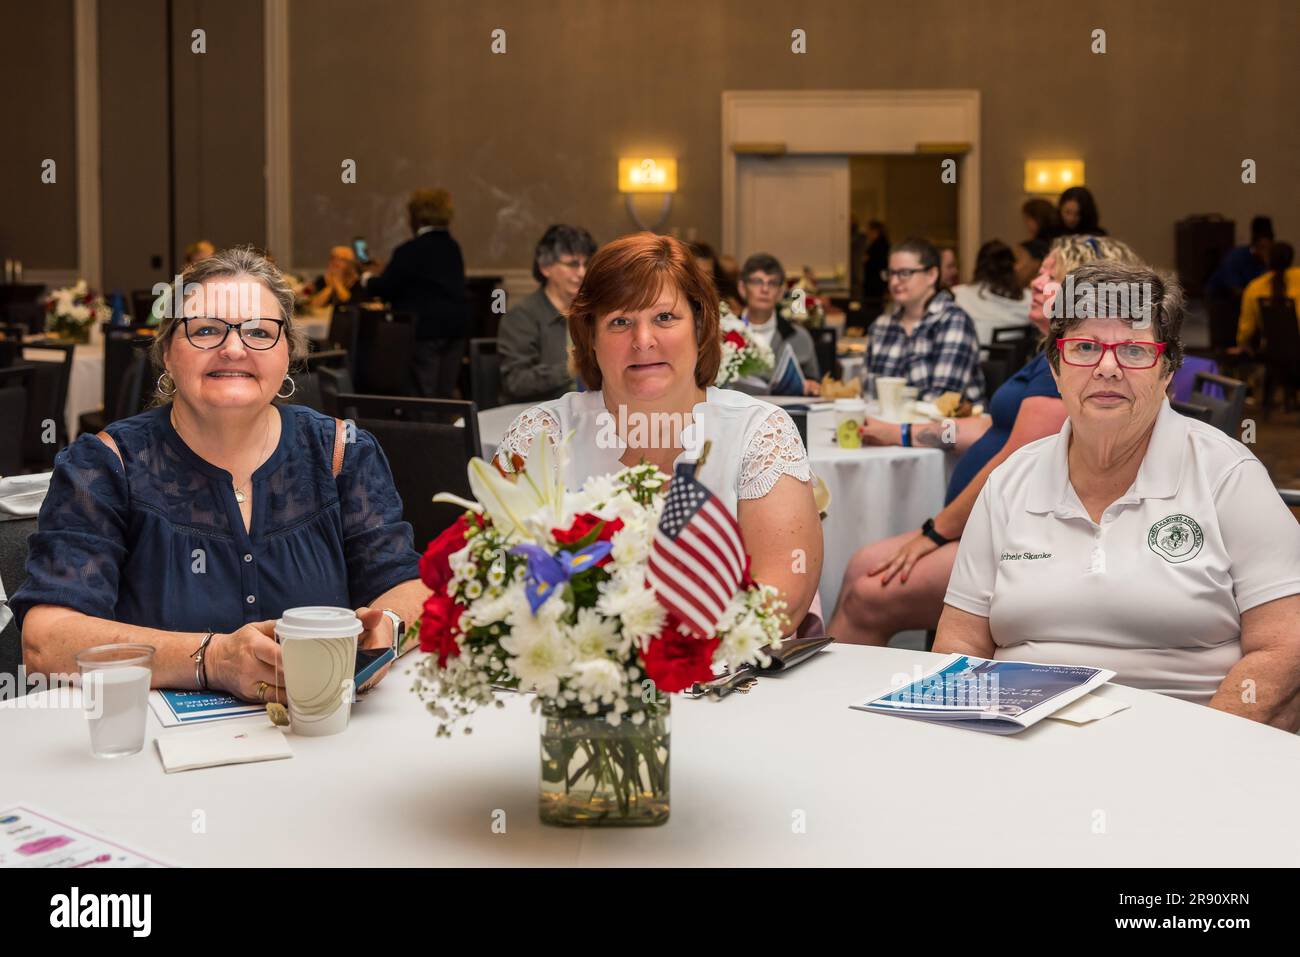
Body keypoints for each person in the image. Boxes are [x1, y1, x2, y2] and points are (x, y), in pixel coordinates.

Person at [11, 247, 426, 703]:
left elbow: (408, 588)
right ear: (167, 353)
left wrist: (389, 626)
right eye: (206, 330)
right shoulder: (106, 467)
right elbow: (46, 642)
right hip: (155, 752)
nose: (234, 348)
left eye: (259, 332)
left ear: (286, 353)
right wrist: (213, 660)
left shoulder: (341, 455)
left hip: (322, 735)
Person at [937, 261, 1300, 726]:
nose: (1107, 368)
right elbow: (960, 644)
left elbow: (1283, 647)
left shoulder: (1228, 476)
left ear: (1167, 370)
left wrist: (1203, 755)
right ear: (1055, 366)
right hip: (1021, 742)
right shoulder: (1010, 482)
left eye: (1132, 350)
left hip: (1185, 743)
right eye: (1085, 347)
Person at [494, 233, 822, 636]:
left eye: (664, 318)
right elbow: (496, 582)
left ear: (700, 326)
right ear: (590, 336)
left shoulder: (758, 431)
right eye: (620, 321)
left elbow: (781, 602)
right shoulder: (541, 435)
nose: (643, 340)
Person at [832, 235, 1143, 645]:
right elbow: (988, 427)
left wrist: (934, 533)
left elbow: (1014, 456)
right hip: (987, 525)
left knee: (867, 593)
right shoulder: (1047, 356)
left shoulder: (1075, 368)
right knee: (860, 564)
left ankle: (834, 701)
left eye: (1051, 274)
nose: (1035, 280)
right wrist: (903, 432)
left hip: (1020, 536)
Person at [363, 188, 469, 398]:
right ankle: (447, 431)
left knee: (424, 396)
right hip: (456, 329)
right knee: (445, 394)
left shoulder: (410, 250)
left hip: (425, 332)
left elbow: (386, 288)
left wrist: (366, 278)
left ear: (416, 216)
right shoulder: (453, 247)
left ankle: (427, 431)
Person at [865, 238, 983, 402]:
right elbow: (869, 394)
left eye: (905, 273)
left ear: (931, 275)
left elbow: (942, 401)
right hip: (888, 423)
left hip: (948, 426)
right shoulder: (881, 326)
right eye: (891, 273)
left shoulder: (953, 322)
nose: (894, 282)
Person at [498, 225, 597, 403]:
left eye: (586, 264)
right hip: (542, 416)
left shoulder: (594, 311)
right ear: (545, 267)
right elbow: (516, 382)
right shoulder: (521, 316)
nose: (582, 273)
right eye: (573, 264)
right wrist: (570, 369)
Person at [736, 253, 821, 394]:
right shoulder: (724, 333)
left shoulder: (799, 337)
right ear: (742, 288)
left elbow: (815, 386)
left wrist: (812, 386)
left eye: (772, 283)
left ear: (781, 292)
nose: (764, 289)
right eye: (757, 281)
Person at [950, 239, 1031, 344]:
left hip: (975, 357)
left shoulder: (958, 295)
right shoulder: (1029, 299)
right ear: (1012, 267)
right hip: (1017, 359)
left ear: (978, 266)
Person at [1235, 241, 1299, 355]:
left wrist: (1242, 344)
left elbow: (1246, 330)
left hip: (1270, 353)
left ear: (1268, 259)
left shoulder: (1254, 287)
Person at [688, 240, 741, 315]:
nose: (705, 278)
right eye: (699, 273)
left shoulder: (723, 301)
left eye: (708, 273)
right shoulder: (679, 300)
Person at [308, 245, 363, 309]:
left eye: (342, 260)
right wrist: (330, 286)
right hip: (323, 318)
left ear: (349, 264)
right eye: (333, 258)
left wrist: (337, 283)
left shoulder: (355, 282)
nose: (336, 262)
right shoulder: (322, 279)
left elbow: (348, 302)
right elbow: (315, 304)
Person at [862, 220, 890, 301]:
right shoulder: (880, 244)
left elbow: (881, 266)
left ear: (875, 231)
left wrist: (867, 260)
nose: (867, 233)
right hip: (877, 283)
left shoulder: (879, 246)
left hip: (875, 284)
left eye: (868, 230)